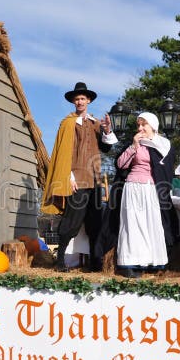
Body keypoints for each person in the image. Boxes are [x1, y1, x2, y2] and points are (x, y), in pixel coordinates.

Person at [40, 81, 117, 272]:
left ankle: (93, 263)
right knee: (71, 221)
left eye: (83, 98)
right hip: (77, 179)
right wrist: (68, 177)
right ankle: (60, 262)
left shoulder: (95, 124)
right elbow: (63, 154)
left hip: (95, 179)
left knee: (95, 222)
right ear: (73, 102)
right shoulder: (68, 124)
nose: (80, 101)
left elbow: (107, 148)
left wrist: (107, 130)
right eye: (77, 99)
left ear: (88, 100)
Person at [110, 113, 177, 278]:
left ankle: (150, 262)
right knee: (132, 225)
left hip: (151, 189)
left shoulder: (164, 145)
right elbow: (121, 164)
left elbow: (166, 171)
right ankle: (129, 264)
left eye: (143, 125)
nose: (140, 129)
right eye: (138, 125)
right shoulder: (135, 144)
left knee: (150, 224)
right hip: (133, 187)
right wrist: (133, 146)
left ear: (153, 126)